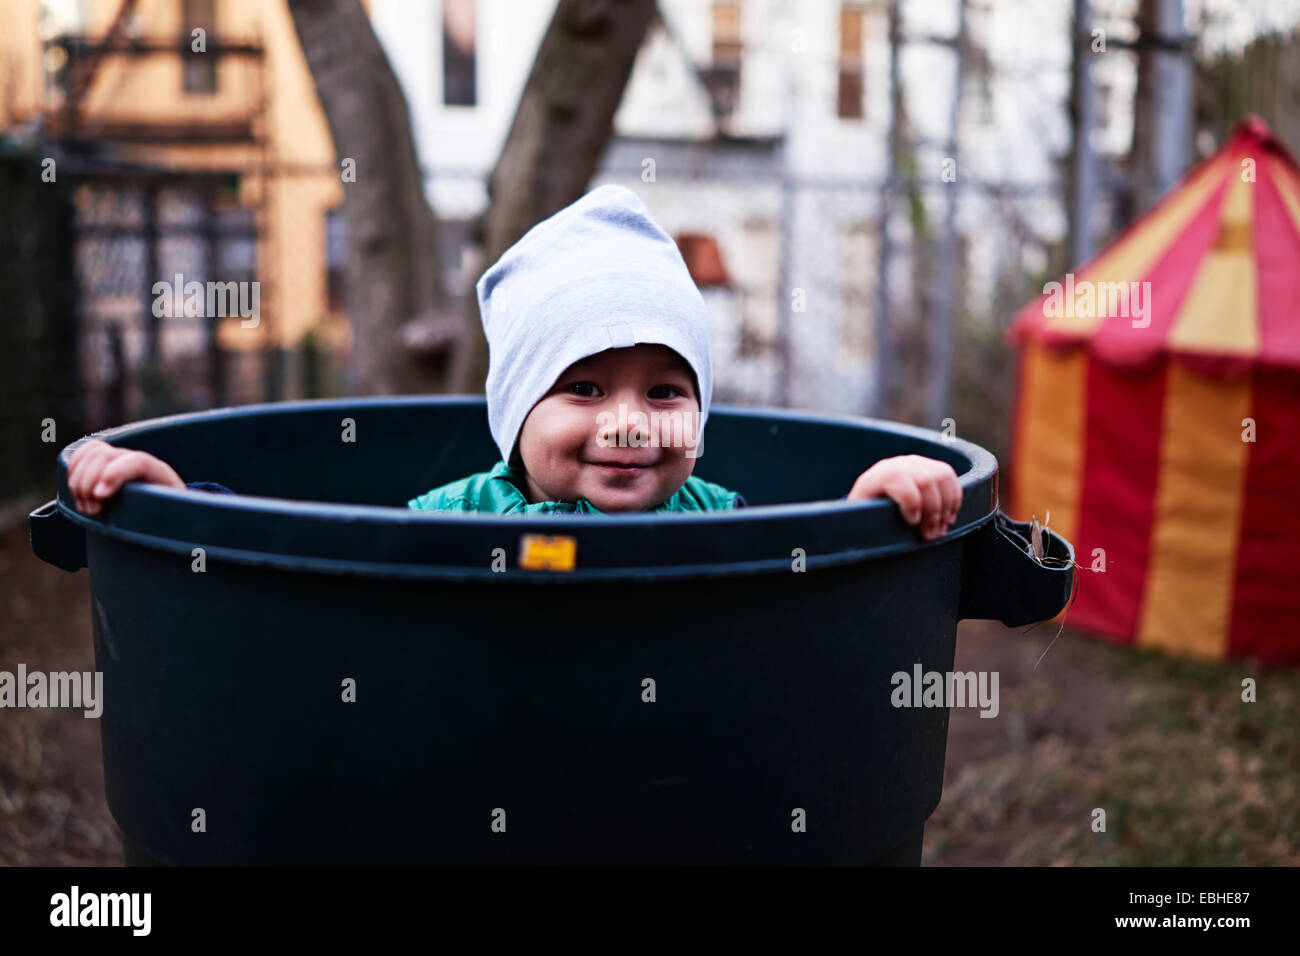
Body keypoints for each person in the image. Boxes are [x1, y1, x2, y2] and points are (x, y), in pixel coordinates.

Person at [66, 185, 962, 540]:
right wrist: (174, 504)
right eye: (582, 386)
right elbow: (309, 560)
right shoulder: (452, 518)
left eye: (664, 390)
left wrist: (873, 503)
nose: (625, 419)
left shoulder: (715, 517)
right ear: (514, 413)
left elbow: (805, 596)